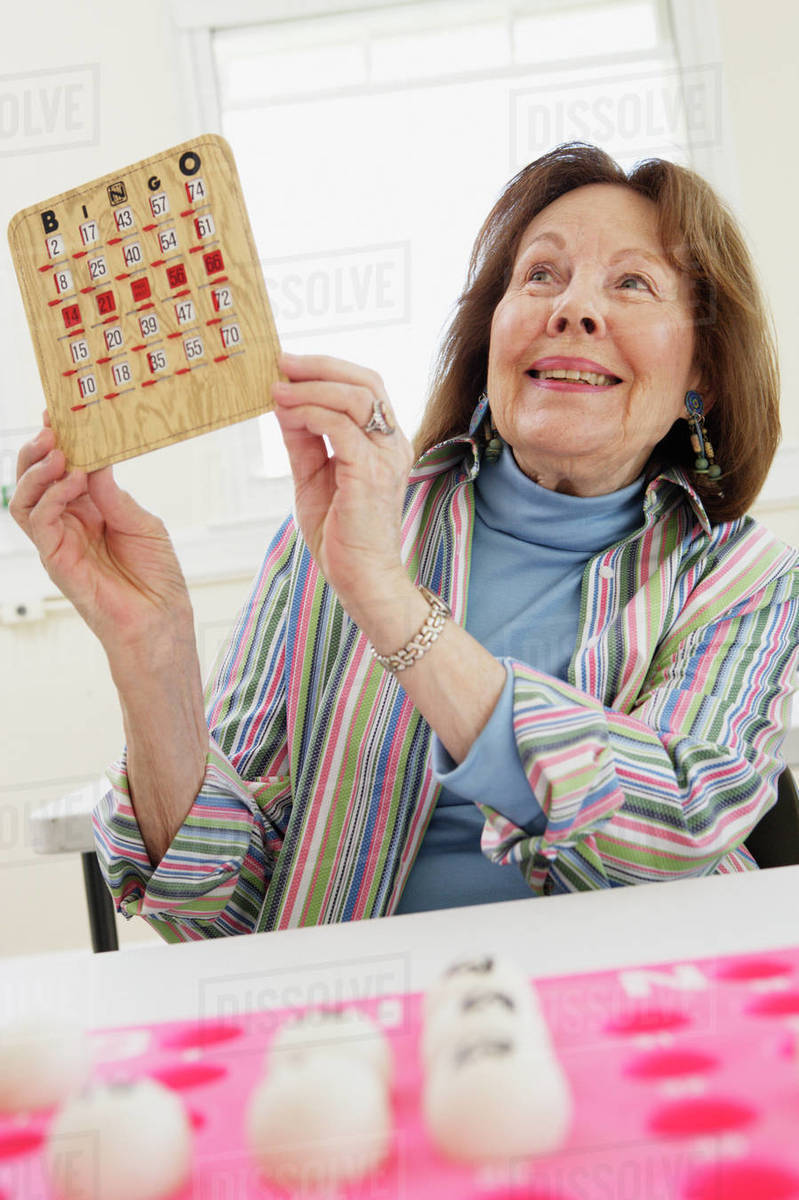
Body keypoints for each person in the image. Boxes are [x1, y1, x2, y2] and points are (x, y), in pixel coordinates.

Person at [12, 142, 799, 942]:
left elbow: (675, 833)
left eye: (631, 283)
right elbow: (216, 905)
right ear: (492, 335)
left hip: (631, 1010)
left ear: (701, 372)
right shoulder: (336, 528)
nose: (573, 310)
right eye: (540, 276)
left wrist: (386, 596)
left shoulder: (740, 575)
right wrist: (153, 650)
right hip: (349, 1019)